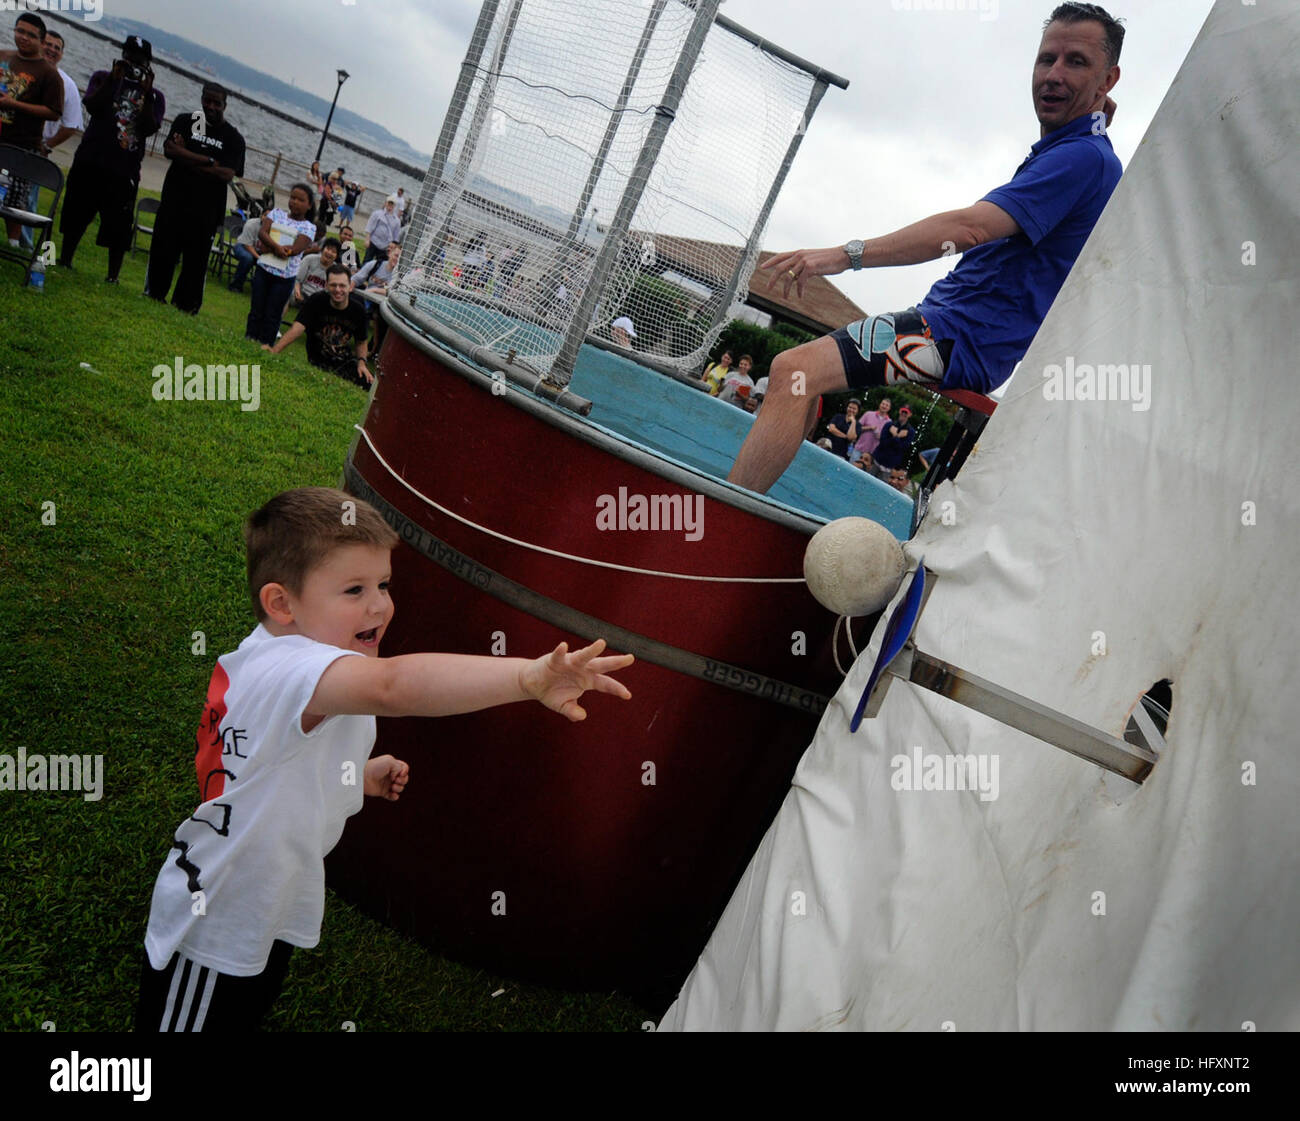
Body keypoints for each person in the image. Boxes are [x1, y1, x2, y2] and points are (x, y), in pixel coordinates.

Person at [136, 487, 634, 1031]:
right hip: (221, 914)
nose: (380, 604)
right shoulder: (292, 669)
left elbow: (264, 761)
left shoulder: (286, 660)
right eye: (354, 589)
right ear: (282, 604)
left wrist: (357, 776)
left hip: (267, 900)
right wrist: (524, 677)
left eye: (383, 584)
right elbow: (393, 687)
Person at [728, 3, 1124, 493]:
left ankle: (729, 517)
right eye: (1047, 60)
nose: (1054, 75)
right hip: (951, 325)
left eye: (1076, 63)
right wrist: (1098, 109)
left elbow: (970, 228)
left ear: (1109, 78)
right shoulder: (1081, 148)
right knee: (805, 387)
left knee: (793, 371)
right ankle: (770, 506)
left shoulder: (1082, 158)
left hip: (957, 336)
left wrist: (842, 256)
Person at [57, 36, 165, 282]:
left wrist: (147, 95)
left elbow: (149, 127)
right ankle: (64, 259)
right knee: (76, 214)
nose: (133, 63)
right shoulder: (101, 77)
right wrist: (113, 80)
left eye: (139, 60)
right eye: (129, 57)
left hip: (124, 170)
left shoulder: (156, 96)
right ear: (122, 56)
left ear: (149, 63)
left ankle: (112, 276)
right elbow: (92, 106)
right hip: (90, 160)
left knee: (119, 227)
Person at [146, 82, 245, 314]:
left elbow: (228, 173)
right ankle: (154, 294)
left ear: (225, 105)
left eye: (216, 103)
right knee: (164, 252)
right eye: (207, 100)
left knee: (195, 262)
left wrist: (187, 156)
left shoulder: (232, 138)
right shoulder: (188, 121)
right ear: (201, 99)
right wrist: (209, 161)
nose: (210, 106)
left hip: (207, 212)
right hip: (174, 202)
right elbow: (170, 150)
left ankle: (185, 306)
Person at [0, 12, 62, 246]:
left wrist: (15, 104)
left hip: (23, 146)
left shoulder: (48, 73)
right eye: (19, 31)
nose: (23, 37)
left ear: (40, 39)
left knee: (15, 202)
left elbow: (54, 112)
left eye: (30, 35)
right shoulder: (4, 57)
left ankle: (14, 245)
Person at [264, 264, 372, 387]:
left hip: (344, 362)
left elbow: (361, 342)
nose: (337, 289)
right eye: (333, 285)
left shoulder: (358, 310)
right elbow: (297, 328)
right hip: (318, 361)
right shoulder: (316, 301)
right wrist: (274, 350)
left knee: (370, 384)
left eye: (342, 285)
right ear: (326, 285)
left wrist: (362, 363)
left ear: (350, 287)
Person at [244, 182, 318, 345]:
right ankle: (250, 338)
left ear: (309, 205)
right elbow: (262, 232)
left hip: (284, 277)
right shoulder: (276, 214)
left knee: (273, 312)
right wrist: (277, 247)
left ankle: (266, 344)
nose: (295, 202)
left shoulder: (309, 227)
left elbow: (297, 248)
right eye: (293, 198)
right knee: (256, 308)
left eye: (300, 200)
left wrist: (271, 247)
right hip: (264, 269)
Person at [872, 405, 916, 479]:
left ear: (910, 415)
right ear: (900, 411)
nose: (904, 414)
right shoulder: (889, 424)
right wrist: (897, 437)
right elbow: (883, 442)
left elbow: (903, 448)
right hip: (878, 459)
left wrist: (896, 436)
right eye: (903, 412)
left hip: (889, 465)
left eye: (906, 413)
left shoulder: (910, 432)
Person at [294, 237, 341, 305]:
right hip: (302, 292)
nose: (329, 253)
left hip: (319, 299)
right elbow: (297, 280)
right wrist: (297, 292)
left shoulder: (336, 270)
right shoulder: (309, 259)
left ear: (336, 256)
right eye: (328, 249)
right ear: (322, 249)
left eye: (333, 252)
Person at [850, 397, 892, 465]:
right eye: (883, 404)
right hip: (859, 449)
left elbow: (887, 440)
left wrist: (881, 437)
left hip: (872, 455)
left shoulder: (889, 422)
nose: (884, 406)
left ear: (889, 408)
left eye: (886, 405)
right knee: (850, 470)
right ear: (880, 404)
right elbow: (857, 428)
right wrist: (869, 427)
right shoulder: (868, 414)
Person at [226, 215, 262, 292]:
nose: (267, 218)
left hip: (259, 251)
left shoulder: (272, 227)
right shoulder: (251, 224)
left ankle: (257, 285)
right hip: (242, 246)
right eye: (266, 215)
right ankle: (235, 285)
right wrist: (259, 257)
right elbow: (247, 245)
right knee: (247, 258)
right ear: (261, 215)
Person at [362, 195, 402, 267]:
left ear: (394, 206)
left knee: (380, 264)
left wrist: (393, 248)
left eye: (392, 204)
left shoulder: (397, 220)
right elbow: (369, 227)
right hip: (373, 241)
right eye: (389, 203)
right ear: (386, 203)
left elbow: (396, 236)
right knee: (367, 260)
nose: (390, 205)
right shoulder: (377, 214)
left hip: (386, 246)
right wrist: (367, 240)